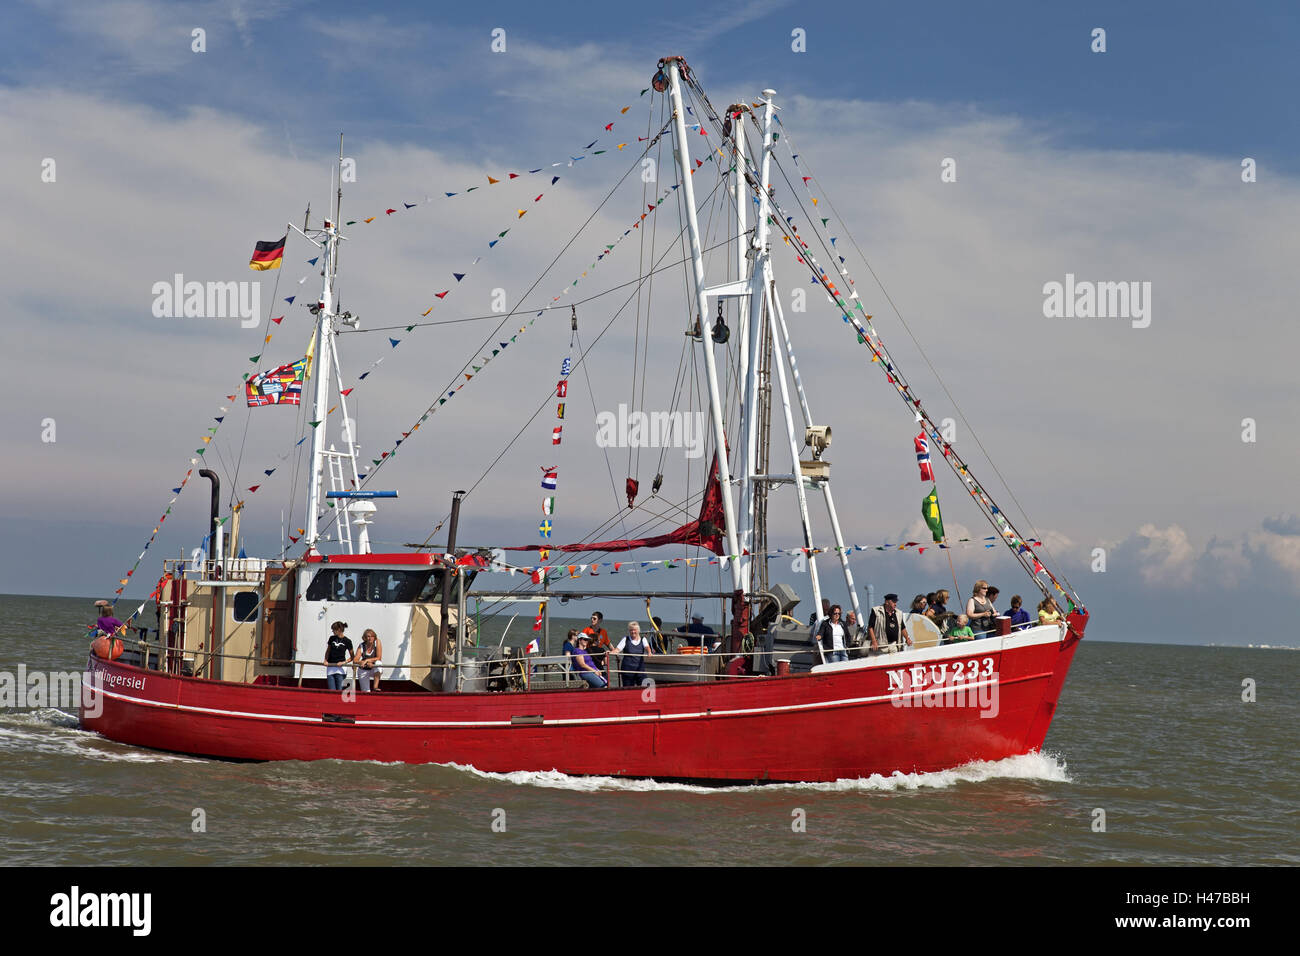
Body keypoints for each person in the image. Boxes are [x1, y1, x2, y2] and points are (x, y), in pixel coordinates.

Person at [613, 621, 654, 687]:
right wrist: (610, 652)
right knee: (627, 689)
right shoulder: (625, 639)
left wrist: (649, 652)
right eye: (631, 630)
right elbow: (617, 650)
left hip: (640, 670)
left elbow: (647, 647)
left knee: (644, 686)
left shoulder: (643, 639)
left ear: (638, 630)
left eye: (634, 630)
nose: (633, 632)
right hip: (627, 670)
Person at [324, 621, 353, 691]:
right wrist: (325, 660)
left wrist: (344, 662)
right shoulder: (332, 638)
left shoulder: (347, 641)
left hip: (340, 668)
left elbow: (352, 657)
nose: (332, 631)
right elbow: (328, 651)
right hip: (331, 666)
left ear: (339, 630)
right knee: (332, 690)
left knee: (339, 690)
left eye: (334, 630)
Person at [355, 628, 383, 692]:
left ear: (374, 637)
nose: (370, 638)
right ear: (364, 638)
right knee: (366, 692)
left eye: (372, 636)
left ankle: (375, 687)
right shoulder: (361, 645)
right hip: (363, 669)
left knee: (379, 663)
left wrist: (367, 660)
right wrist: (364, 663)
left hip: (373, 668)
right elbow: (355, 660)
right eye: (368, 636)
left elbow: (379, 657)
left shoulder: (377, 642)